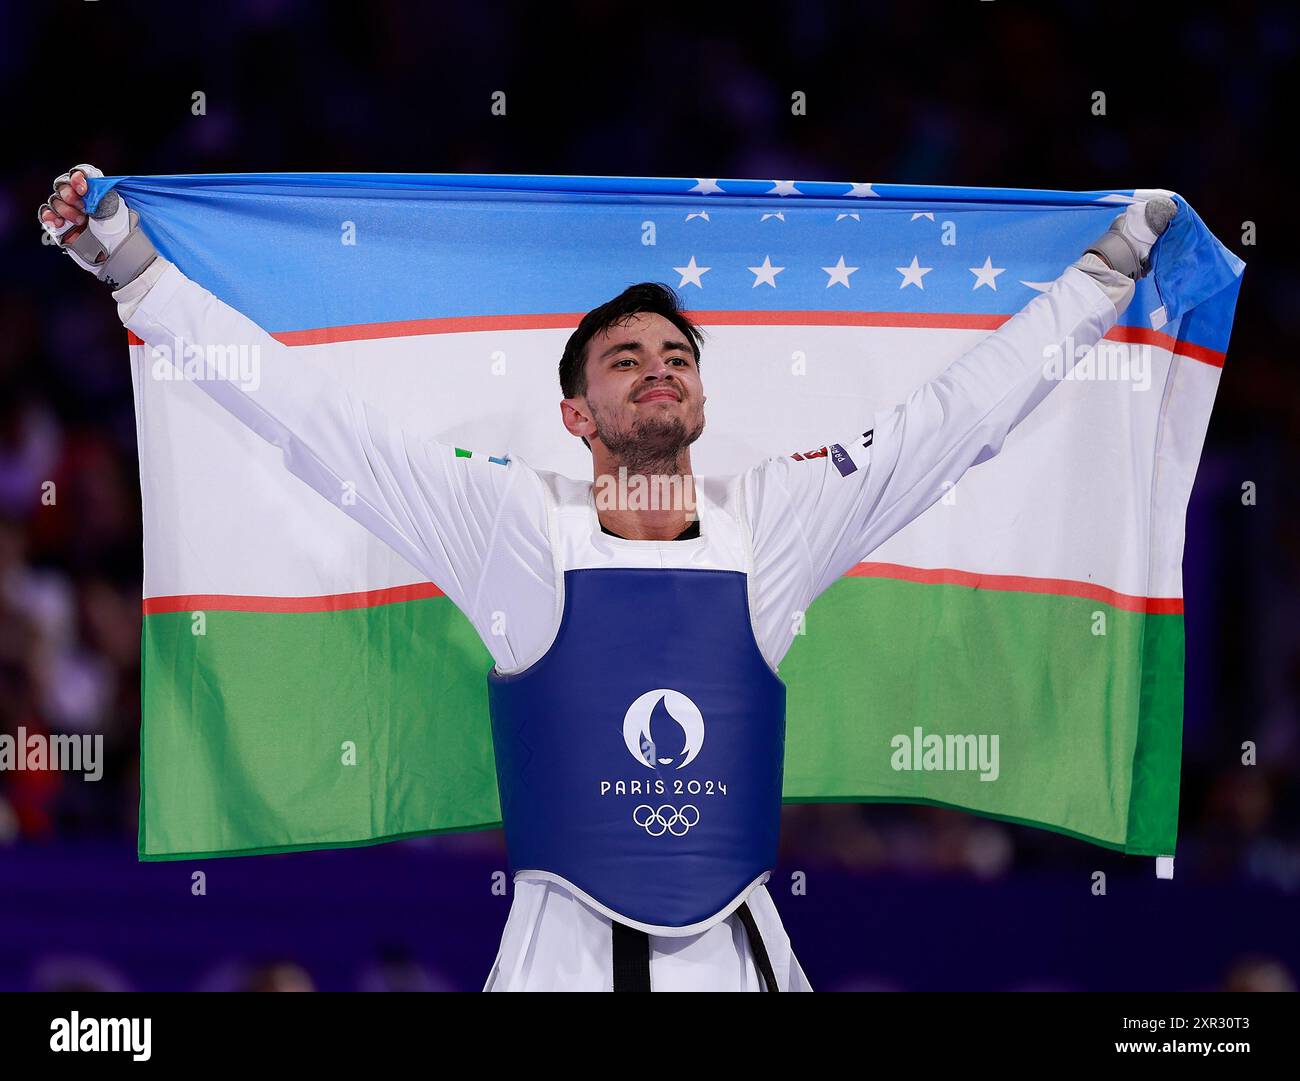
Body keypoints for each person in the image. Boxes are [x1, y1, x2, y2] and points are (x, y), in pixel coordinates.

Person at [39, 165, 1176, 992]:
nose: (659, 371)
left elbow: (952, 423)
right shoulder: (513, 532)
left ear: (700, 399)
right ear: (577, 414)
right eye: (626, 359)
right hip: (559, 964)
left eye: (676, 356)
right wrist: (136, 275)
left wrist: (1103, 272)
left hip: (740, 962)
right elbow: (313, 426)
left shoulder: (771, 527)